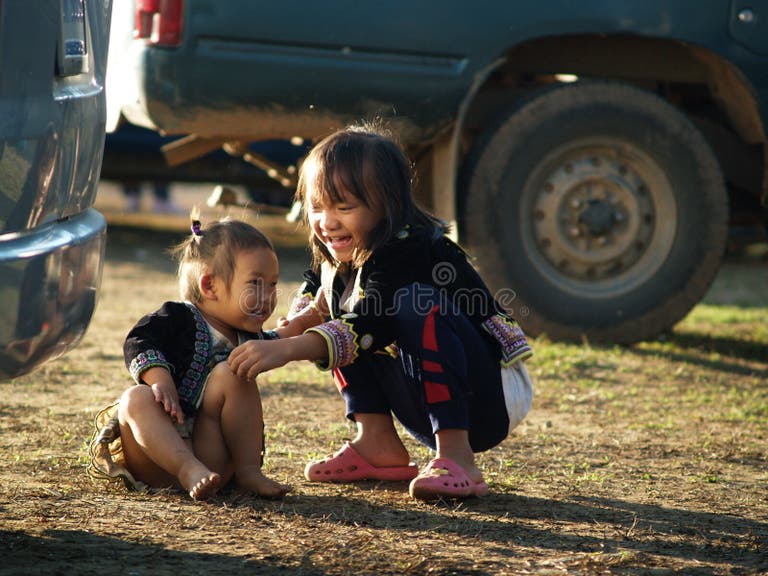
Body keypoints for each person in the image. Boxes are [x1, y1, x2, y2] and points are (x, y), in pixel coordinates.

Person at [227, 124, 534, 500]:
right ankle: (377, 444)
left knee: (412, 305)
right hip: (427, 401)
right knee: (339, 313)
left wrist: (285, 351)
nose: (327, 221)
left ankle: (458, 457)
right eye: (317, 207)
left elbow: (374, 319)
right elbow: (316, 306)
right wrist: (271, 338)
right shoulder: (339, 255)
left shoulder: (411, 247)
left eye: (345, 207)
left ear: (386, 206)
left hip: (487, 399)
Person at [89, 218, 291, 500]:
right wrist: (159, 378)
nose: (268, 296)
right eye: (255, 284)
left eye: (272, 285)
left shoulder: (248, 337)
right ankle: (187, 469)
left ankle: (248, 472)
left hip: (213, 460)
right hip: (157, 456)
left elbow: (281, 341)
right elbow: (139, 340)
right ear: (209, 286)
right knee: (134, 399)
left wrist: (308, 318)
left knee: (234, 371)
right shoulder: (178, 317)